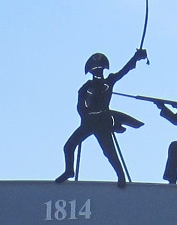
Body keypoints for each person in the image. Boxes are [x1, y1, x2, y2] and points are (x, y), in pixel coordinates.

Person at [60, 47, 149, 185]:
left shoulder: (108, 82)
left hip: (102, 121)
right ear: (91, 71)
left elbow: (124, 70)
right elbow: (80, 106)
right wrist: (84, 116)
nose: (98, 72)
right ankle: (69, 170)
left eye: (100, 70)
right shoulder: (85, 87)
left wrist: (135, 57)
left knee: (109, 151)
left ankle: (121, 175)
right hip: (89, 122)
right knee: (69, 146)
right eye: (95, 70)